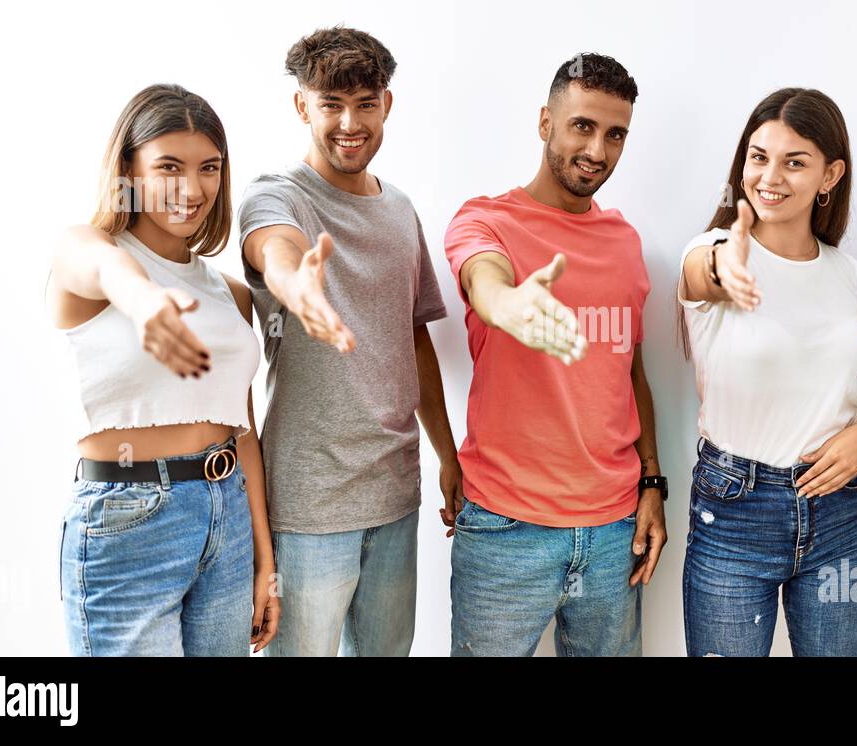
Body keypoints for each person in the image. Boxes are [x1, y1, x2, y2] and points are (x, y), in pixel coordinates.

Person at [239, 26, 458, 657]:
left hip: (395, 494)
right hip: (308, 508)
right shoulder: (276, 194)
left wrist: (447, 453)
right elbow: (272, 244)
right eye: (331, 104)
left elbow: (413, 339)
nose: (348, 122)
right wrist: (294, 284)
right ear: (302, 106)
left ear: (388, 103)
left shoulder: (400, 210)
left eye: (364, 102)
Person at [443, 52, 665, 656]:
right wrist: (504, 303)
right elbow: (483, 278)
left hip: (614, 528)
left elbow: (631, 372)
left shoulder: (624, 239)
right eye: (582, 126)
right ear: (546, 122)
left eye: (615, 134)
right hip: (504, 532)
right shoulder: (484, 220)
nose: (597, 149)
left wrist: (653, 481)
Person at [47, 83, 278, 655]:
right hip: (128, 521)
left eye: (209, 168)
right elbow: (102, 267)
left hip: (226, 513)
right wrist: (144, 300)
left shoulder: (229, 293)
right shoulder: (88, 252)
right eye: (169, 166)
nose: (192, 188)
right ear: (128, 167)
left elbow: (240, 426)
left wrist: (264, 560)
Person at [677, 88, 857, 656]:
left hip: (844, 513)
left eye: (795, 162)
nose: (770, 175)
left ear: (830, 175)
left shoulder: (853, 278)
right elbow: (703, 274)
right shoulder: (714, 249)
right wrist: (726, 268)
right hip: (736, 510)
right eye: (758, 156)